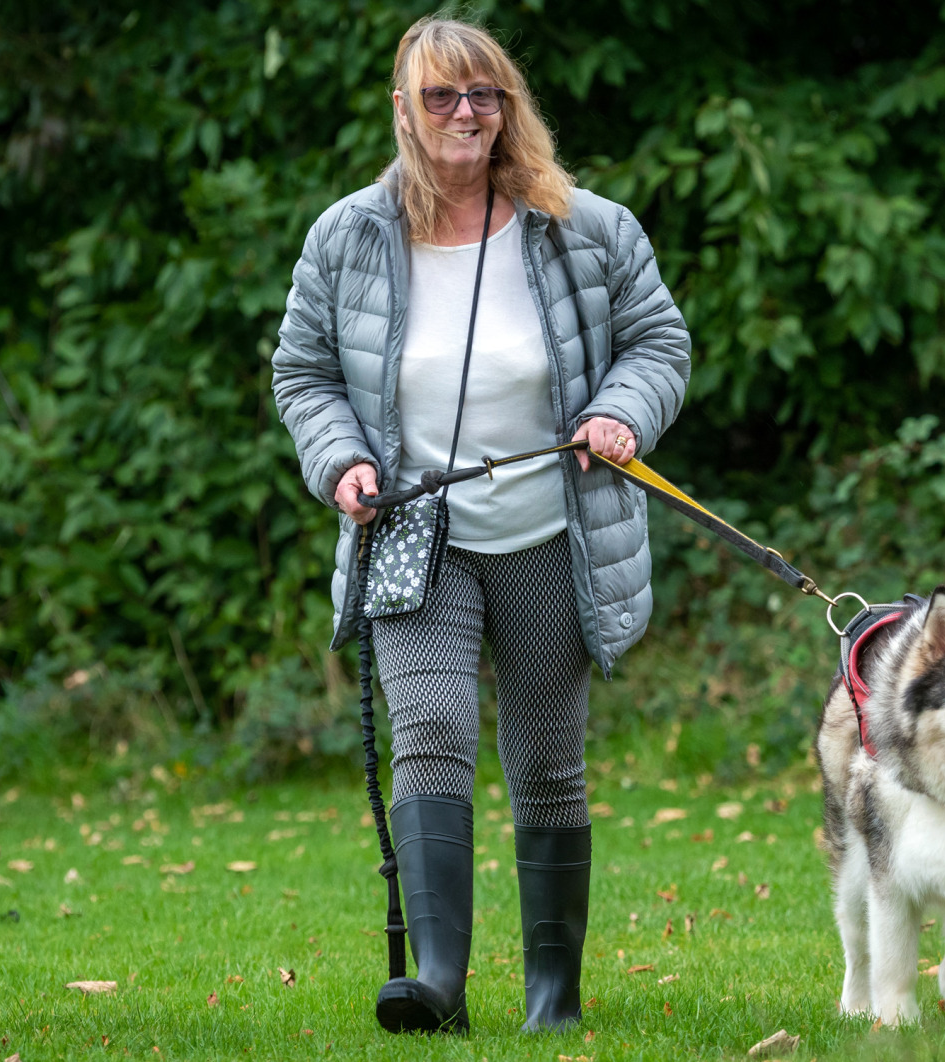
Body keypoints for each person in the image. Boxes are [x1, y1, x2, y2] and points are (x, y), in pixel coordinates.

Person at [269, 16, 689, 1036]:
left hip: (554, 528)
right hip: (418, 534)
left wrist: (622, 412)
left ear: (509, 107)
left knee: (546, 757)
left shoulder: (586, 227)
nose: (467, 114)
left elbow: (657, 340)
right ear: (403, 109)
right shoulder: (348, 236)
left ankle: (554, 999)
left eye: (485, 95)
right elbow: (305, 372)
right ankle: (441, 985)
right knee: (435, 728)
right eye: (444, 96)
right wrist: (343, 463)